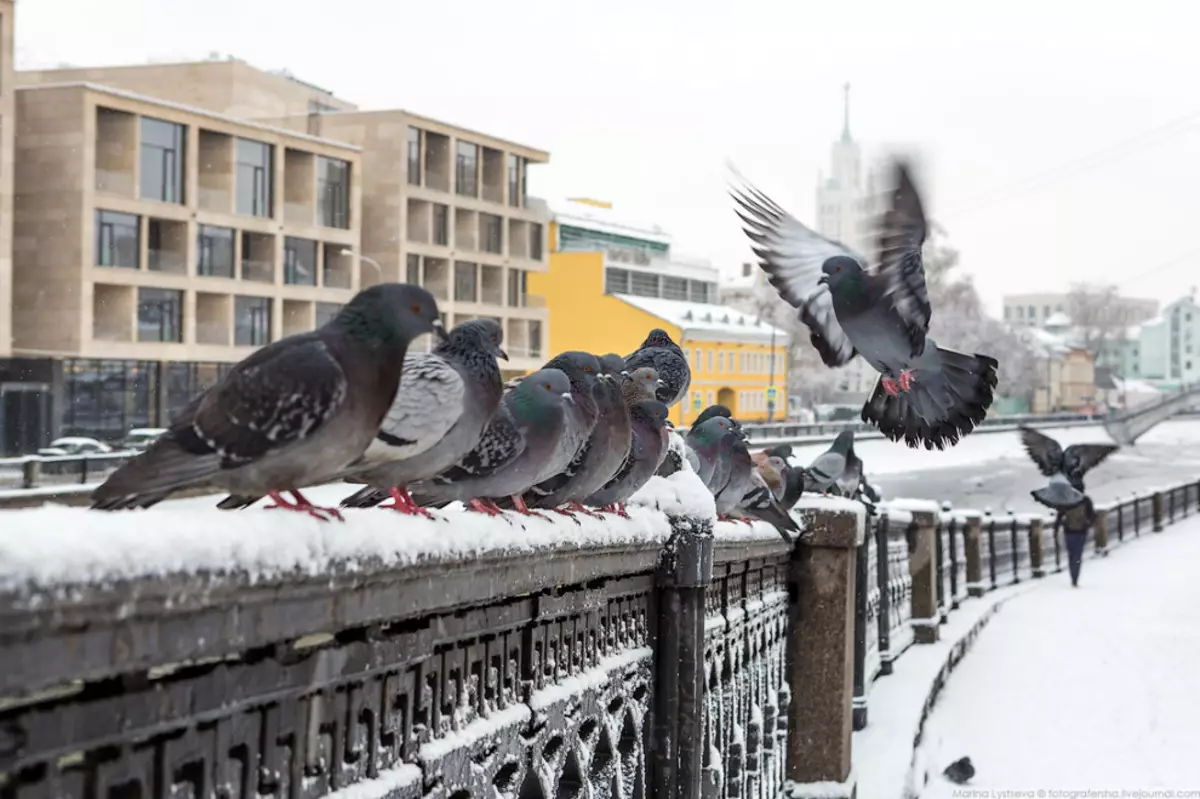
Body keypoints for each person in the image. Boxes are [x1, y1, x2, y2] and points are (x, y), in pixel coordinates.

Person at [1059, 495, 1096, 587]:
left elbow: (1060, 516)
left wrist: (1058, 528)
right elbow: (1093, 516)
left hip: (1068, 532)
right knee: (1077, 555)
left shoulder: (1066, 499)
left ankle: (1073, 575)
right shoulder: (1085, 500)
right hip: (1080, 532)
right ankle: (1075, 578)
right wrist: (1088, 525)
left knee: (1071, 555)